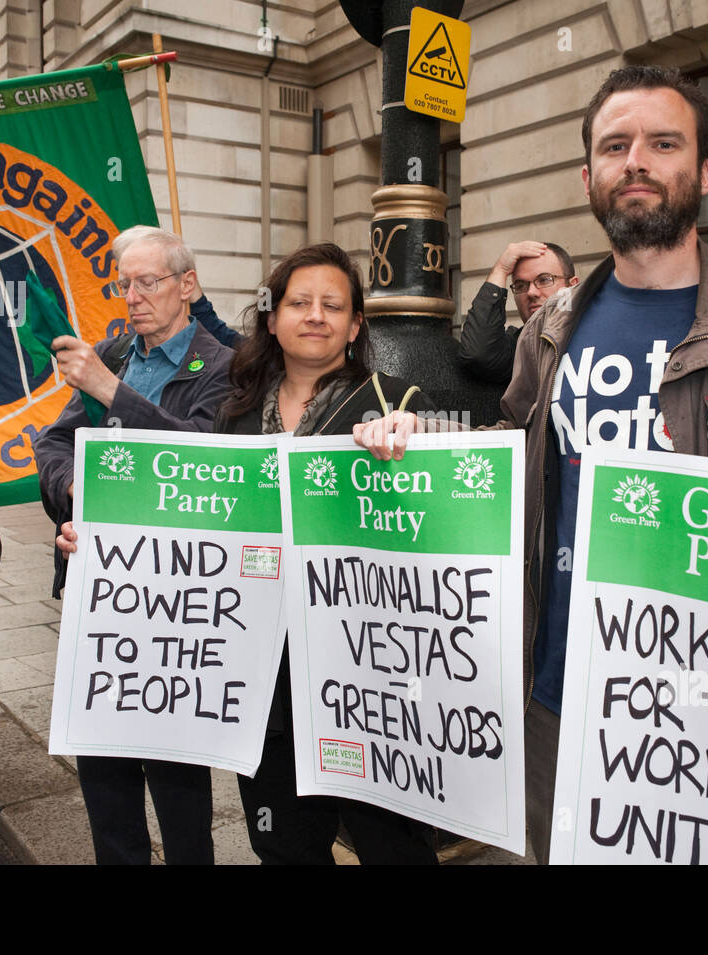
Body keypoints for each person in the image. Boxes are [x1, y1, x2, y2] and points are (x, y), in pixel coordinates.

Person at [355, 65, 708, 864]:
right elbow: (512, 465)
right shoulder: (549, 329)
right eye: (616, 145)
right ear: (587, 176)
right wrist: (415, 452)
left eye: (664, 144)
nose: (637, 161)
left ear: (704, 173)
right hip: (561, 698)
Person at [58, 242, 441, 864]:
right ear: (271, 317)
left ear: (355, 324)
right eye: (299, 302)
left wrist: (418, 441)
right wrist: (105, 538)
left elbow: (449, 517)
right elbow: (184, 500)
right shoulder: (235, 407)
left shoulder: (398, 401)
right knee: (282, 844)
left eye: (333, 305)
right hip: (258, 677)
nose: (315, 316)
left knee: (391, 846)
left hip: (364, 682)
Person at [34, 224, 232, 865]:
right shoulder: (115, 352)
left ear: (187, 284)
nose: (133, 296)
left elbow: (203, 458)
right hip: (100, 590)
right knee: (104, 779)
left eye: (148, 281)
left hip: (180, 605)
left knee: (178, 787)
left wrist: (106, 391)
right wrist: (76, 499)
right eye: (125, 284)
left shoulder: (224, 366)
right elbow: (56, 445)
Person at [457, 242, 580, 385]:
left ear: (572, 286)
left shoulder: (597, 336)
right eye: (521, 285)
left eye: (544, 279)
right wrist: (500, 270)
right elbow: (478, 353)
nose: (531, 292)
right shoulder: (519, 351)